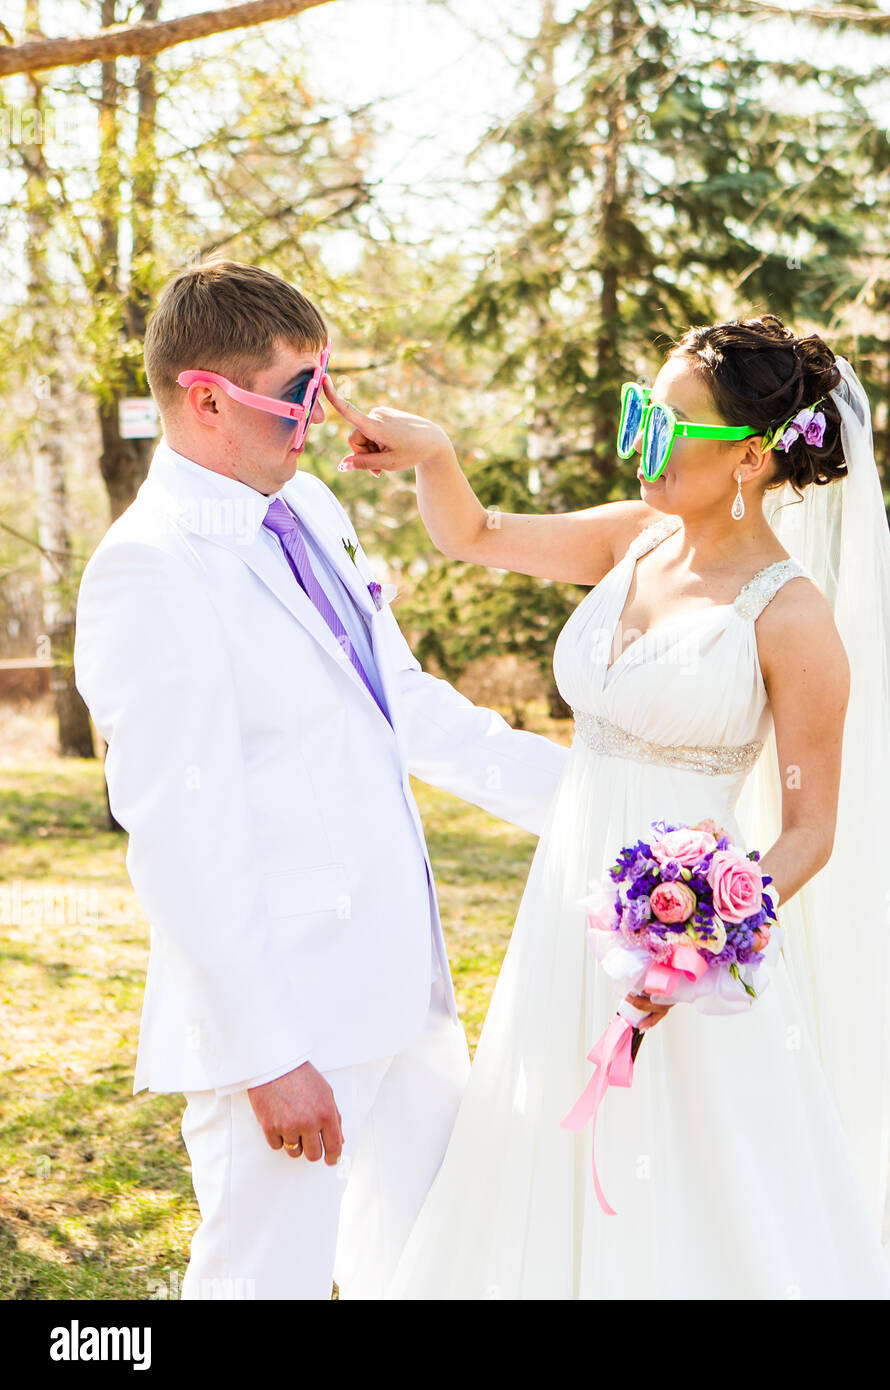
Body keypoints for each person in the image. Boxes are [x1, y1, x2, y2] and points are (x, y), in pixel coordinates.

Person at [325, 313, 890, 1298]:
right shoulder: (634, 539)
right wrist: (433, 452)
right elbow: (476, 535)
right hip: (566, 908)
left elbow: (811, 829)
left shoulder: (792, 615)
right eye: (641, 414)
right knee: (544, 1147)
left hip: (681, 941)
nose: (644, 442)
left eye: (672, 424)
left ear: (748, 454)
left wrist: (701, 932)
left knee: (701, 1181)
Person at [72, 259, 572, 1300]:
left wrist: (601, 798)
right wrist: (265, 1054)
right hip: (287, 1022)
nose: (323, 415)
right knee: (266, 1284)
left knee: (445, 1267)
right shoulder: (149, 568)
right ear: (206, 399)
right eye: (298, 392)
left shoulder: (313, 507)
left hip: (407, 993)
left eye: (326, 380)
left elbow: (411, 708)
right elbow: (177, 836)